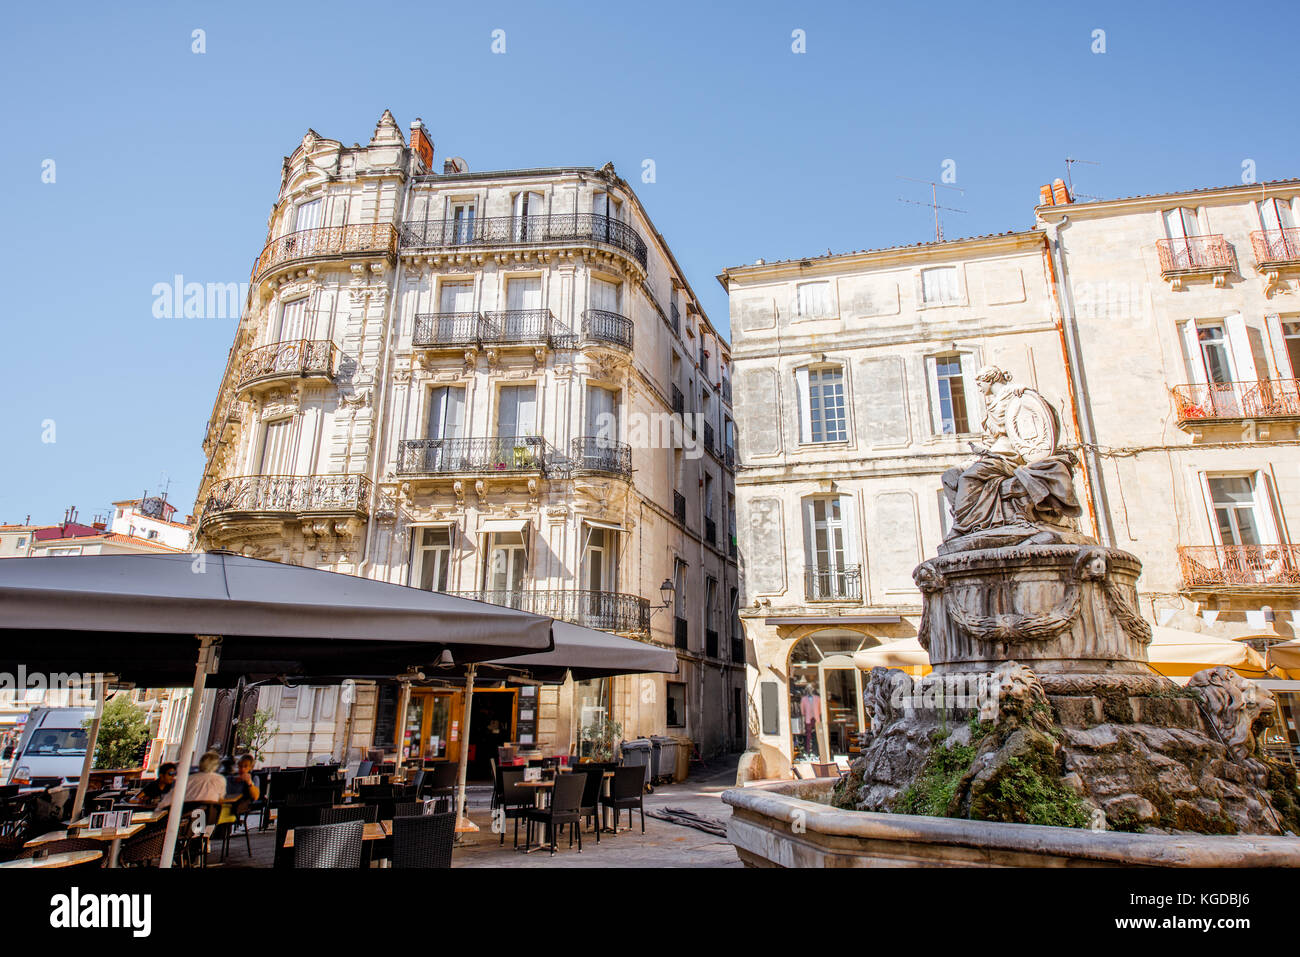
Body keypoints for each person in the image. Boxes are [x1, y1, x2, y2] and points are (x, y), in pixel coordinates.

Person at [160, 750, 227, 807]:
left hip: (187, 816)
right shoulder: (220, 779)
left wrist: (159, 808)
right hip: (209, 817)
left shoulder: (189, 779)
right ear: (216, 766)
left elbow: (169, 798)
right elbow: (220, 799)